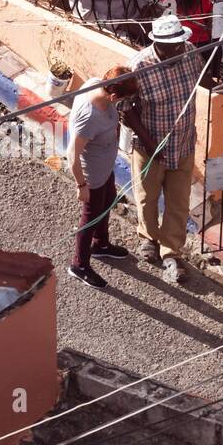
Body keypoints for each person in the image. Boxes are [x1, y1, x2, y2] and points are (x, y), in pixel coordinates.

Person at [120, 13, 208, 284]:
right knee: (147, 197)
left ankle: (171, 252)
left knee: (178, 202)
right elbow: (126, 111)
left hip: (182, 144)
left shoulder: (190, 53)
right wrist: (150, 143)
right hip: (150, 148)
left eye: (180, 44)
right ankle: (148, 238)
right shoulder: (138, 66)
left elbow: (203, 79)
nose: (177, 50)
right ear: (157, 44)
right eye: (171, 47)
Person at [66, 67, 138, 289]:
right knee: (91, 218)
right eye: (123, 99)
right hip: (93, 176)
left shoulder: (97, 82)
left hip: (105, 169)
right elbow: (72, 154)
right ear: (114, 96)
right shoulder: (90, 117)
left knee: (107, 203)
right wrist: (82, 185)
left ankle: (101, 245)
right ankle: (79, 265)